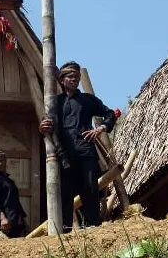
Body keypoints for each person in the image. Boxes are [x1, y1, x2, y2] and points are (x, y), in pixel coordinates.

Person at [38, 61, 116, 232]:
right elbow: (47, 128)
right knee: (65, 193)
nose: (74, 79)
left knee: (89, 188)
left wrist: (101, 129)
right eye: (70, 76)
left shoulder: (87, 100)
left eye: (77, 77)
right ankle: (65, 231)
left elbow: (110, 114)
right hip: (63, 154)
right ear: (62, 79)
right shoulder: (54, 103)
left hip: (86, 152)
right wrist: (42, 128)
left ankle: (92, 228)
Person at [0, 150, 28, 237]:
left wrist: (23, 220)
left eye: (2, 160)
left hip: (17, 221)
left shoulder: (10, 181)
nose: (0, 163)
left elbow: (15, 201)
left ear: (6, 161)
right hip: (6, 223)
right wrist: (3, 218)